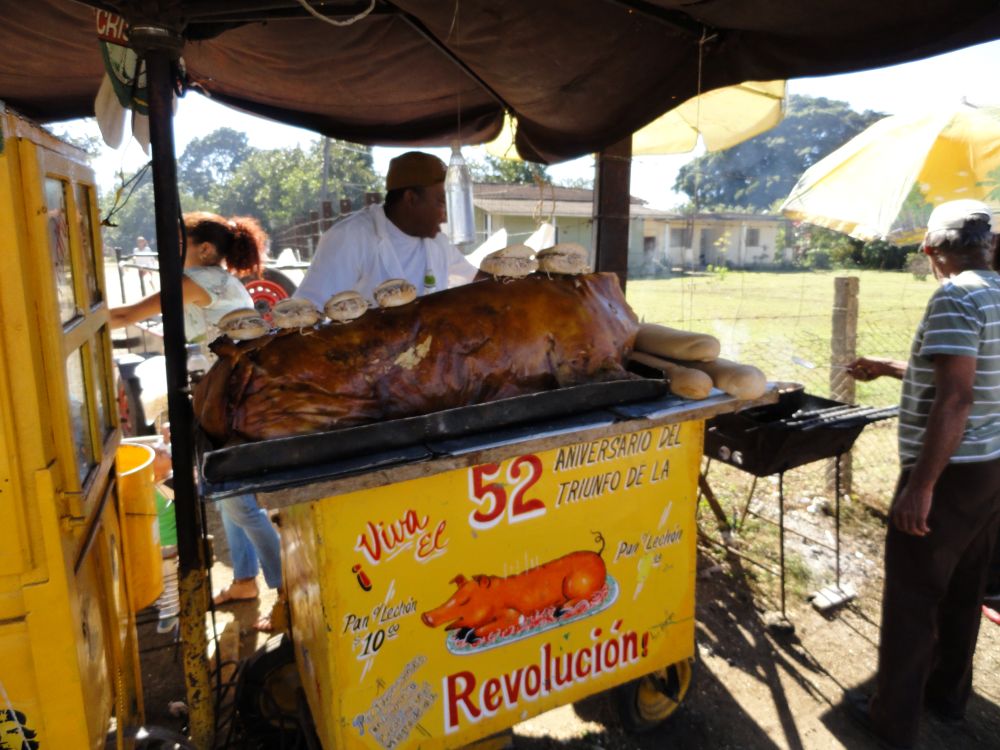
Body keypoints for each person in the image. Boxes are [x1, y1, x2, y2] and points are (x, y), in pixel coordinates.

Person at [844, 200, 1000, 749]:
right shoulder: (998, 292)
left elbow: (956, 397)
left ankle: (891, 718)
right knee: (964, 588)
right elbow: (967, 374)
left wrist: (921, 486)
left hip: (952, 473)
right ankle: (948, 698)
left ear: (933, 253)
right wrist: (888, 367)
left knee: (912, 599)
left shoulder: (957, 295)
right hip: (990, 471)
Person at [110, 212, 283, 631]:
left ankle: (289, 588)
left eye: (179, 242)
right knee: (223, 493)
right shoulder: (221, 282)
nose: (172, 251)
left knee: (237, 501)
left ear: (205, 249)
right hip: (230, 391)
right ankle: (244, 580)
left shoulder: (202, 282)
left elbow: (122, 317)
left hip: (230, 397)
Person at [294, 151, 478, 308]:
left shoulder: (437, 242)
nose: (445, 216)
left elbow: (476, 281)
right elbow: (308, 310)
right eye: (441, 203)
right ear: (411, 198)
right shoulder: (350, 237)